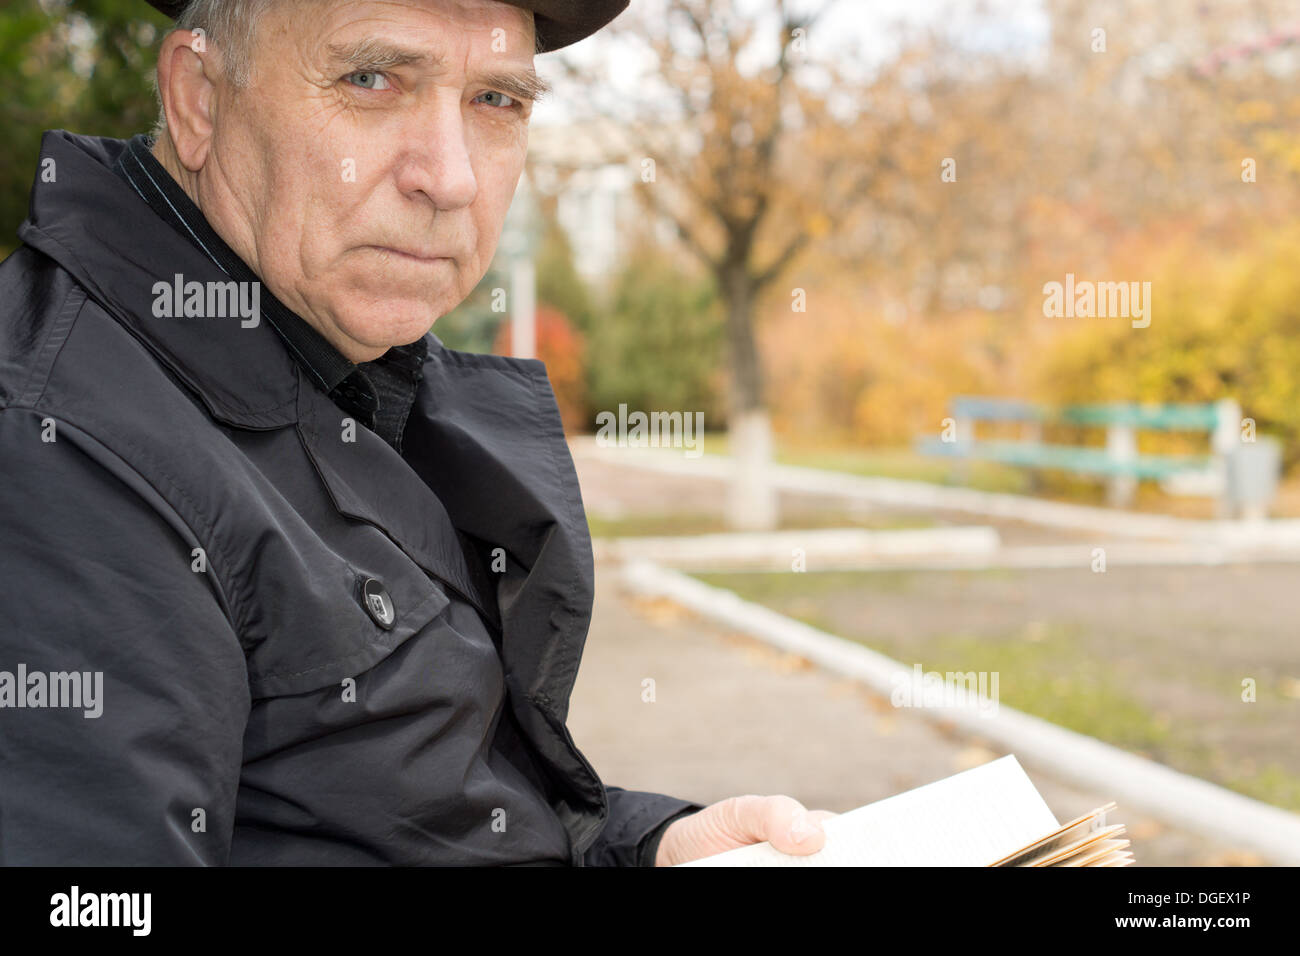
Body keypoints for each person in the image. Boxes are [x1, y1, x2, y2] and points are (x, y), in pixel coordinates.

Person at [0, 0, 832, 865]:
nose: (451, 177)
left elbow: (414, 809)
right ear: (199, 100)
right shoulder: (60, 452)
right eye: (371, 79)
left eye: (497, 102)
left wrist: (643, 848)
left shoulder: (338, 360)